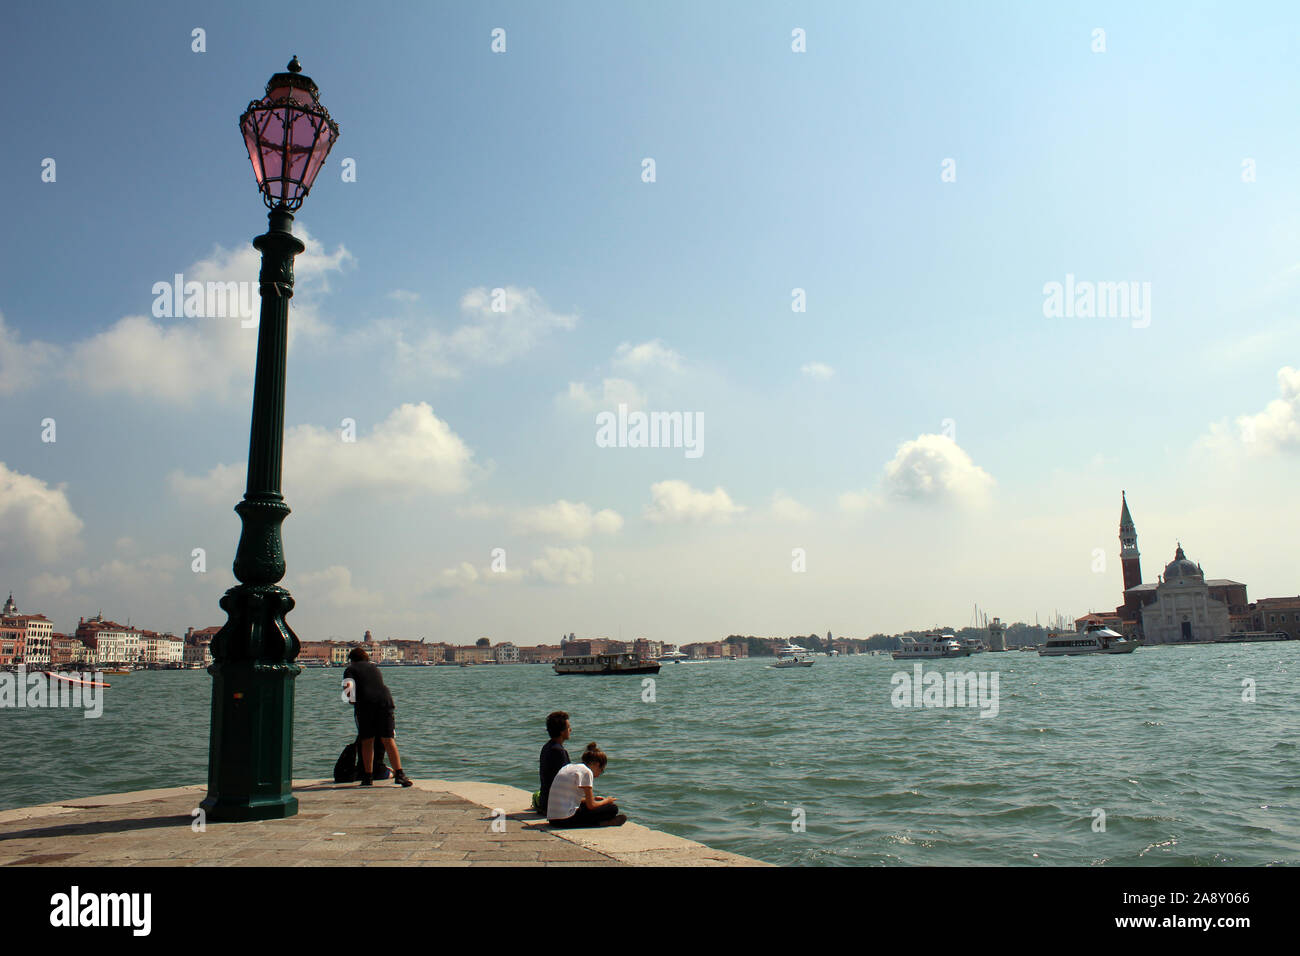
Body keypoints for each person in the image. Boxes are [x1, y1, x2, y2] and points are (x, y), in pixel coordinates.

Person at [342, 647, 412, 787]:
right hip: (385, 702)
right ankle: (400, 774)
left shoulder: (350, 669)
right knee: (388, 739)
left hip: (366, 705)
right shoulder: (374, 668)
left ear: (352, 659)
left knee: (367, 740)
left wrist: (351, 699)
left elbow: (348, 691)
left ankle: (368, 777)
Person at [546, 742, 626, 828]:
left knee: (591, 806)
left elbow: (570, 798)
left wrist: (593, 799)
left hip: (553, 819)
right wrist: (607, 800)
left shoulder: (569, 767)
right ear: (597, 764)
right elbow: (591, 806)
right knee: (612, 808)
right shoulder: (586, 772)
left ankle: (601, 822)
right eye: (601, 771)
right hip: (565, 820)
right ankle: (602, 823)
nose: (599, 775)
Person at [536, 711, 571, 813]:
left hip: (545, 801)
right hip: (554, 805)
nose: (571, 730)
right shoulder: (558, 752)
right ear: (561, 731)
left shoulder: (547, 747)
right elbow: (566, 783)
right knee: (609, 808)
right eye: (568, 728)